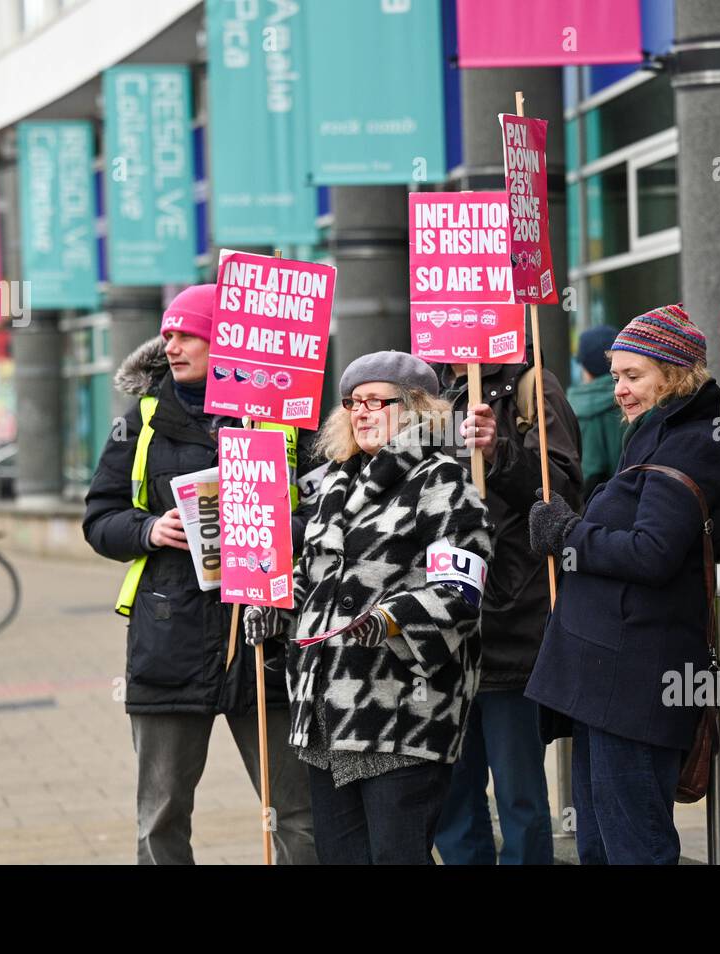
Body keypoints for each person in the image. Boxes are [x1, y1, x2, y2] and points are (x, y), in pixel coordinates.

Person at [83, 283, 317, 865]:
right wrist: (147, 530)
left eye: (189, 333)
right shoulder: (139, 421)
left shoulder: (282, 417)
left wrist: (281, 523)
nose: (173, 344)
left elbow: (326, 508)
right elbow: (99, 517)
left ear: (228, 339)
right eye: (168, 333)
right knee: (161, 814)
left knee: (299, 810)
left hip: (267, 636)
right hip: (171, 637)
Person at [245, 351, 492, 865]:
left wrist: (393, 618)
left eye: (376, 401)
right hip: (326, 709)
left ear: (417, 407)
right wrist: (276, 604)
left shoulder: (443, 480)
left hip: (401, 709)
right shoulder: (335, 482)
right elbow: (318, 581)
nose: (361, 412)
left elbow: (460, 593)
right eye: (353, 403)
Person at [524, 306, 720, 864]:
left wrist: (569, 535)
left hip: (636, 679)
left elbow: (652, 553)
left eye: (633, 375)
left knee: (632, 845)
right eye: (616, 375)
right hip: (606, 679)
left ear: (674, 373)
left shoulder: (692, 442)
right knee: (600, 844)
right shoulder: (655, 435)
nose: (619, 389)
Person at [431, 356, 582, 865]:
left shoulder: (532, 384)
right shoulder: (423, 390)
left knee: (518, 795)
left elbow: (560, 491)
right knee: (452, 795)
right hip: (441, 635)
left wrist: (499, 451)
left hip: (510, 625)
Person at [568, 325, 626, 499]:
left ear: (584, 365)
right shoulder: (634, 396)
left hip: (598, 508)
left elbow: (589, 474)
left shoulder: (579, 407)